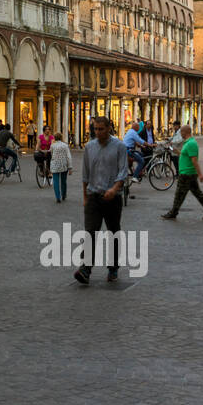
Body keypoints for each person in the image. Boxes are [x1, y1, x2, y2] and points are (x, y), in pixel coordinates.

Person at [75, 117, 128, 284]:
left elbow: (123, 171)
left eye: (101, 129)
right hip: (93, 196)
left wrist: (114, 188)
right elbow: (85, 174)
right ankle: (85, 269)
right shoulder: (89, 147)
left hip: (112, 198)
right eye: (95, 129)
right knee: (90, 232)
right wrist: (85, 196)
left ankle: (113, 268)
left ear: (109, 128)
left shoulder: (119, 146)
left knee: (113, 233)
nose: (98, 132)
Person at [162, 125, 203, 220]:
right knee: (197, 194)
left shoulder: (191, 143)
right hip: (188, 173)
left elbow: (194, 160)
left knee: (179, 194)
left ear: (185, 132)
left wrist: (200, 174)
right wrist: (176, 151)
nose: (180, 134)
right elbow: (184, 155)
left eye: (181, 132)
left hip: (187, 173)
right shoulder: (188, 143)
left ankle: (173, 212)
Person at [49, 132, 72, 203]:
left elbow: (52, 154)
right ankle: (64, 194)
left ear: (54, 138)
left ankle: (58, 197)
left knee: (56, 182)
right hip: (63, 165)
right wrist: (70, 167)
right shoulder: (65, 145)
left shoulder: (52, 145)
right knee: (63, 181)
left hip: (55, 165)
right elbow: (68, 157)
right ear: (61, 138)